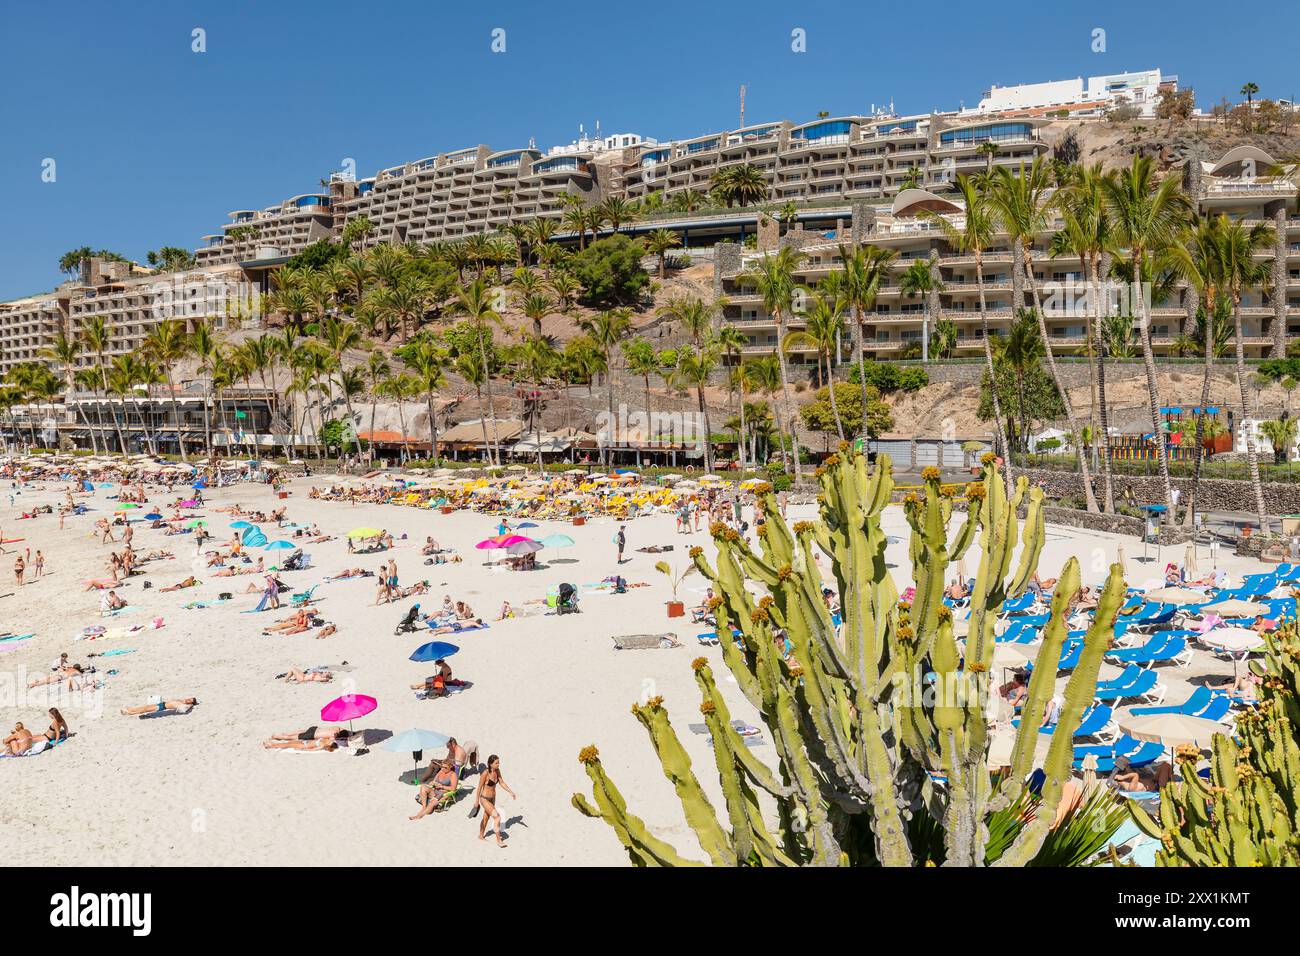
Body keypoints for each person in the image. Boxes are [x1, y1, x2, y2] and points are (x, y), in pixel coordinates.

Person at [474, 754, 517, 847]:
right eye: (496, 763)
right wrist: (476, 801)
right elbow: (479, 788)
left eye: (498, 763)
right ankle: (499, 840)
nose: (498, 764)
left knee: (486, 817)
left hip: (492, 798)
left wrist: (511, 792)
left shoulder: (497, 771)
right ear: (490, 764)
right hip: (484, 798)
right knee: (497, 817)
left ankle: (481, 835)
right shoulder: (485, 773)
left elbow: (501, 782)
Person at [120, 696, 198, 716]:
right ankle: (131, 709)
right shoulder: (182, 701)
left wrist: (191, 705)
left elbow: (183, 710)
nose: (188, 699)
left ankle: (129, 713)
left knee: (144, 710)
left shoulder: (184, 705)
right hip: (161, 704)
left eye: (190, 700)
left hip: (162, 707)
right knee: (144, 707)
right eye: (189, 698)